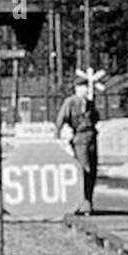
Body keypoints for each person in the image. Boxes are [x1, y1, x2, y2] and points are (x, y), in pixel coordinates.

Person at [55, 68, 103, 216]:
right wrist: (58, 135)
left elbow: (95, 119)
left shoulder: (90, 103)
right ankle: (82, 202)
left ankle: (88, 200)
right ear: (76, 89)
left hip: (91, 138)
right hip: (79, 139)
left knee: (93, 170)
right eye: (82, 87)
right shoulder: (70, 102)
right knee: (84, 169)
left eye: (86, 87)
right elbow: (61, 119)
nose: (85, 90)